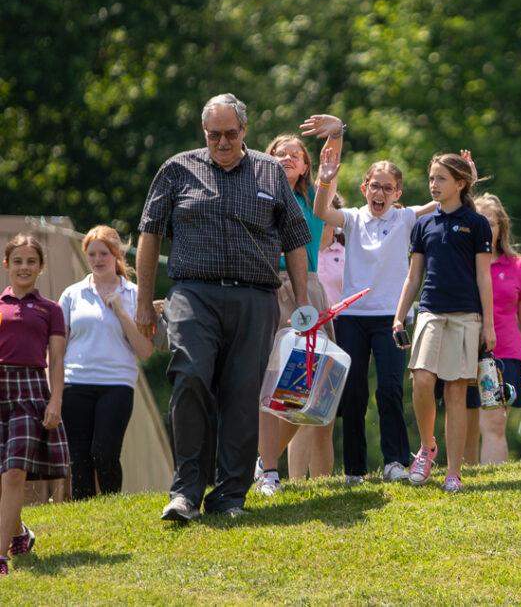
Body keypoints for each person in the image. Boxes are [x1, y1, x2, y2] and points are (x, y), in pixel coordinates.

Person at [135, 93, 311, 521]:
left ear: (245, 130)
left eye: (231, 133)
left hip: (256, 296)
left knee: (242, 393)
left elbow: (295, 240)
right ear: (204, 132)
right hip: (193, 294)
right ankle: (186, 493)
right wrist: (143, 301)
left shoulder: (270, 171)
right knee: (190, 375)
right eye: (214, 134)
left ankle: (230, 495)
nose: (223, 142)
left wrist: (303, 304)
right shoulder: (177, 169)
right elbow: (149, 233)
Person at [314, 139, 451, 485]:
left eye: (388, 188)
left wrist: (467, 179)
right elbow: (321, 212)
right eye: (375, 186)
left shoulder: (404, 218)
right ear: (364, 188)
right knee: (353, 392)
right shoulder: (353, 218)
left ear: (397, 193)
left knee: (390, 389)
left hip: (392, 318)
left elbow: (443, 201)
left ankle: (395, 461)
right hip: (352, 317)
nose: (380, 193)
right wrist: (325, 181)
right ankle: (354, 470)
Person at [393, 153, 494, 492]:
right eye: (431, 178)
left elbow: (484, 277)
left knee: (455, 391)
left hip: (467, 315)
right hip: (430, 312)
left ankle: (453, 472)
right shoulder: (422, 224)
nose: (433, 185)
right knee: (421, 379)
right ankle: (427, 448)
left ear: (460, 184)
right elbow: (413, 276)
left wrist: (489, 325)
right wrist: (399, 316)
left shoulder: (477, 224)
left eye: (441, 179)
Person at [253, 128, 339, 494]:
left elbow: (330, 168)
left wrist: (336, 132)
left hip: (308, 292)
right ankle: (270, 471)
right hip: (268, 291)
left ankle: (265, 461)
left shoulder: (313, 202)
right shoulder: (255, 198)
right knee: (272, 387)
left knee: (313, 389)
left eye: (295, 155)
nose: (287, 158)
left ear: (305, 166)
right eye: (280, 153)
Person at [59, 226, 154, 499]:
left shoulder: (135, 294)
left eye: (104, 253)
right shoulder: (72, 295)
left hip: (117, 384)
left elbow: (145, 350)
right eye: (92, 254)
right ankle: (83, 512)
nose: (97, 259)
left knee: (105, 452)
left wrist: (121, 312)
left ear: (117, 254)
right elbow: (58, 347)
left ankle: (113, 505)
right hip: (75, 383)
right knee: (79, 457)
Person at [0, 235, 69, 576]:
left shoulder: (51, 309)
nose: (24, 267)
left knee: (15, 473)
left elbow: (56, 360)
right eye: (17, 261)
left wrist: (55, 400)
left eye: (31, 261)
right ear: (6, 265)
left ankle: (0, 558)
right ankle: (19, 534)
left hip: (30, 394)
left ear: (41, 267)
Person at [473, 193, 521, 464]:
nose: (486, 228)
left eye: (491, 223)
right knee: (467, 422)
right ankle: (462, 480)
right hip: (462, 350)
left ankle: (493, 482)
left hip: (503, 355)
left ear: (501, 227)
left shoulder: (518, 266)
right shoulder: (460, 264)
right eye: (480, 222)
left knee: (492, 423)